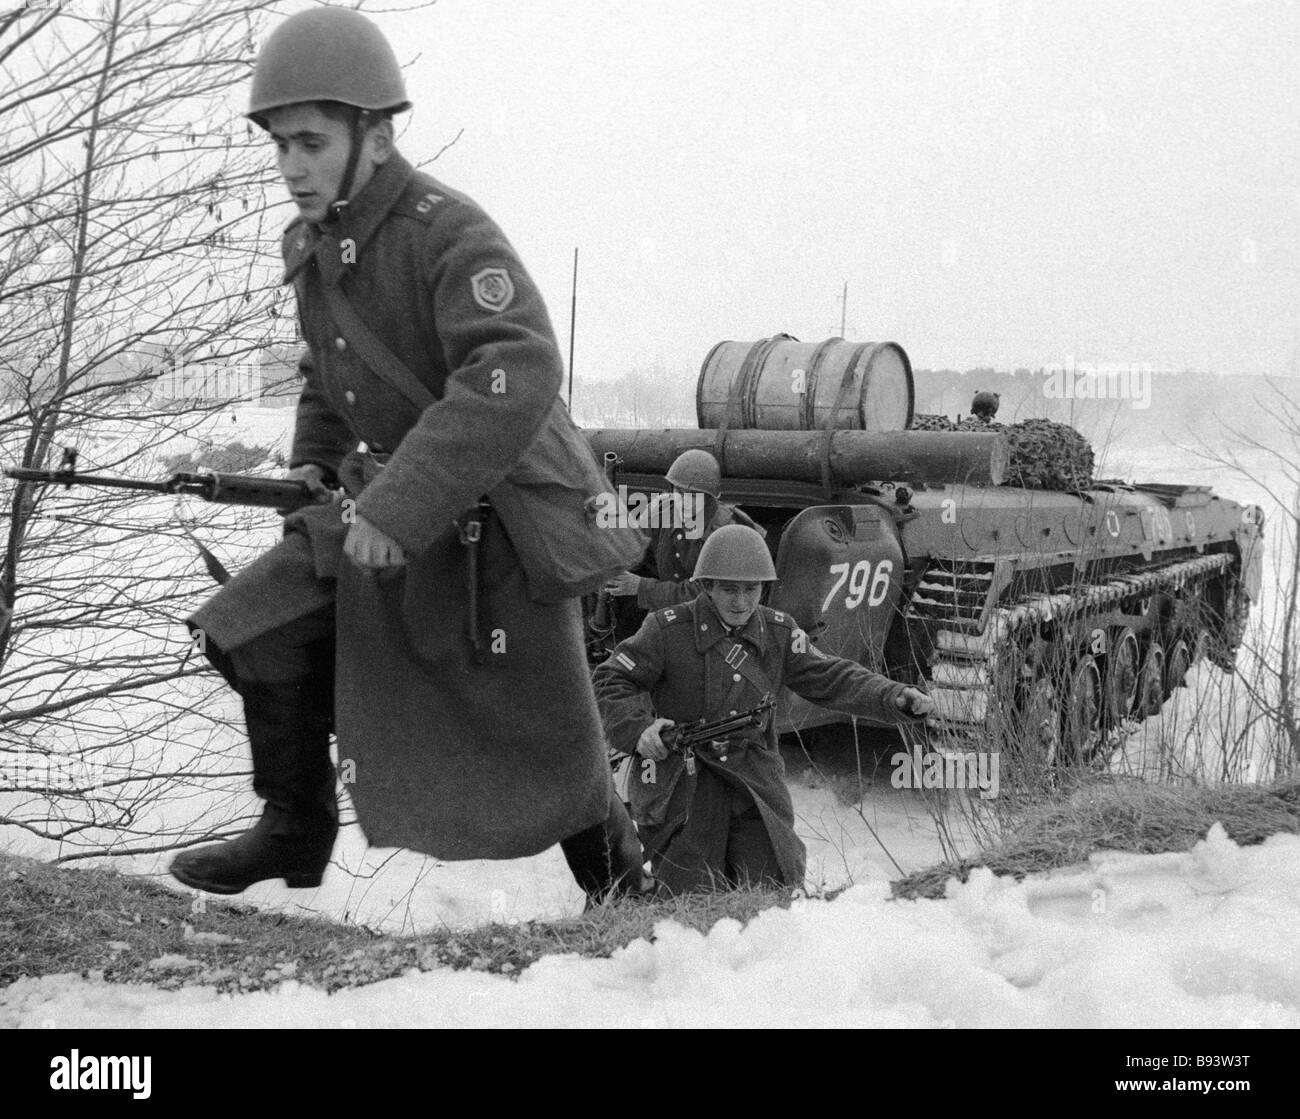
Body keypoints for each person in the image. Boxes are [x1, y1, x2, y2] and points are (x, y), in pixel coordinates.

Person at [170, 7, 648, 906]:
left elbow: (517, 363)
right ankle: (295, 823)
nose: (290, 166)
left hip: (502, 503)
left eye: (309, 142)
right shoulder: (316, 245)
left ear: (377, 136)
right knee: (249, 622)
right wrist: (314, 464)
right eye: (279, 145)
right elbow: (328, 367)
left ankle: (625, 892)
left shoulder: (445, 230)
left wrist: (401, 505)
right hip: (392, 490)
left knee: (548, 727)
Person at [592, 524, 935, 894]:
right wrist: (640, 729)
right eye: (729, 589)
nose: (741, 602)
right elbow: (612, 679)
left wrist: (892, 695)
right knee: (687, 897)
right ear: (707, 586)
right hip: (684, 781)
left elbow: (832, 677)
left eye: (750, 589)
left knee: (771, 887)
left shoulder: (778, 632)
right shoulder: (667, 629)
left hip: (752, 781)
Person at [604, 449, 763, 611]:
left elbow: (704, 594)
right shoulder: (662, 512)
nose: (684, 502)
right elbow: (635, 551)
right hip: (668, 612)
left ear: (710, 497)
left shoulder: (727, 533)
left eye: (694, 496)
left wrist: (641, 588)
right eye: (679, 492)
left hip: (713, 618)